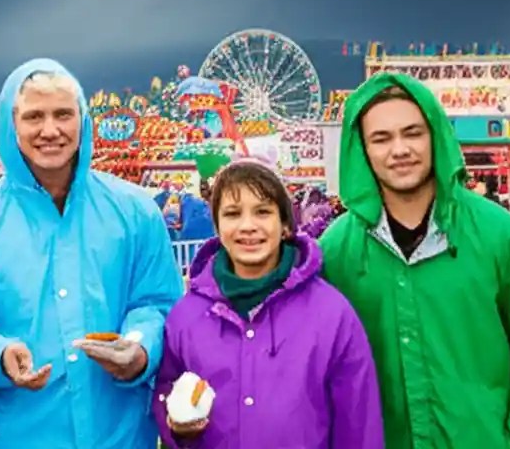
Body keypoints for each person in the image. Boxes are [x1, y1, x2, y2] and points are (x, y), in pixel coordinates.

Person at [0, 59, 184, 449]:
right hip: (14, 436)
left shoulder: (136, 213)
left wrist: (139, 348)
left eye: (63, 115)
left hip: (119, 435)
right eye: (34, 116)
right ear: (10, 124)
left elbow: (159, 305)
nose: (50, 130)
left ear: (83, 120)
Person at [318, 74, 510, 448]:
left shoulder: (499, 235)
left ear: (435, 135)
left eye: (412, 132)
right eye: (381, 138)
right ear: (362, 149)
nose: (399, 149)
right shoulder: (335, 252)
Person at [153, 159, 382, 448]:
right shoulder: (187, 317)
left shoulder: (331, 314)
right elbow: (166, 393)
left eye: (262, 212)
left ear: (286, 225)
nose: (248, 226)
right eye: (233, 214)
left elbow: (358, 421)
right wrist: (177, 426)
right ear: (218, 225)